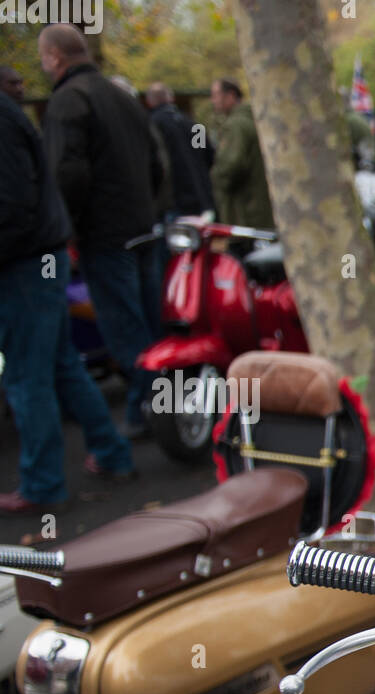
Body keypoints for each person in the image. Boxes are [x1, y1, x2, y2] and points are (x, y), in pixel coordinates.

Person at [1, 84, 134, 514]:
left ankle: (43, 485)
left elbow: (12, 203)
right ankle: (112, 453)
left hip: (24, 263)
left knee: (27, 376)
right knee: (60, 366)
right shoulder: (12, 113)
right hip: (39, 256)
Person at [39, 24, 166, 439]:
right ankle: (153, 411)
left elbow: (67, 173)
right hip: (143, 229)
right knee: (149, 325)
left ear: (55, 57)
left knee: (126, 332)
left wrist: (67, 228)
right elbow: (156, 164)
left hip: (107, 238)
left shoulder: (67, 102)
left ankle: (152, 414)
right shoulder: (124, 98)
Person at [209, 78, 273, 230]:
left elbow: (231, 165)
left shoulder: (235, 125)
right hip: (261, 208)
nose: (213, 101)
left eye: (216, 95)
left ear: (231, 95)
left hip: (244, 211)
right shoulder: (255, 120)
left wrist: (214, 177)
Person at [145, 82, 215, 217]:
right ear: (171, 99)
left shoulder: (152, 125)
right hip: (201, 197)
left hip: (175, 200)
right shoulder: (195, 125)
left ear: (149, 101)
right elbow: (208, 158)